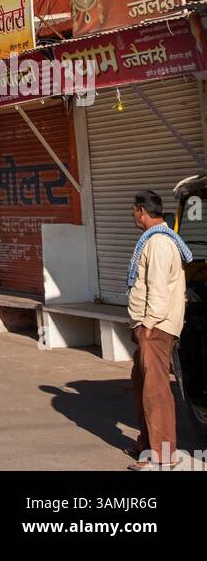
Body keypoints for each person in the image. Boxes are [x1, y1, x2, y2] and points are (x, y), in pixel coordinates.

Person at [126, 189, 192, 471]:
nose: (133, 215)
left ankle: (162, 455)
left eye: (134, 210)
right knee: (142, 385)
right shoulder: (154, 240)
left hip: (156, 328)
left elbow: (159, 290)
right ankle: (146, 446)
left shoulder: (159, 243)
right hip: (149, 327)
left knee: (156, 393)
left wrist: (149, 326)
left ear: (141, 210)